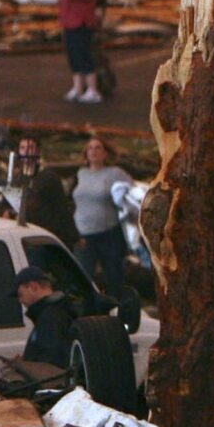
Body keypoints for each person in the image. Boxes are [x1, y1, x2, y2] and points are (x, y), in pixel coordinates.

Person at [72, 137, 139, 331]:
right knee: (83, 275)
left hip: (108, 232)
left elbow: (131, 194)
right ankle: (87, 316)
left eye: (98, 147)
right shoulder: (81, 173)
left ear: (105, 153)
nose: (93, 151)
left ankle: (119, 318)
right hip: (83, 233)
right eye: (90, 148)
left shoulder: (114, 173)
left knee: (113, 276)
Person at [14, 136, 81, 247]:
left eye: (30, 148)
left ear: (38, 151)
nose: (26, 152)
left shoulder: (48, 178)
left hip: (43, 233)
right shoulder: (17, 178)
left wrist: (71, 236)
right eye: (22, 147)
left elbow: (61, 208)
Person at [59, 0, 104, 103]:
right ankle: (77, 87)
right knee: (73, 57)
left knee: (84, 55)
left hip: (81, 24)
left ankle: (93, 89)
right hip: (70, 24)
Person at [17, 265, 80, 367]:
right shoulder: (50, 314)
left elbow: (50, 363)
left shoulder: (51, 318)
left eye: (20, 294)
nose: (20, 300)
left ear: (34, 287)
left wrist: (26, 367)